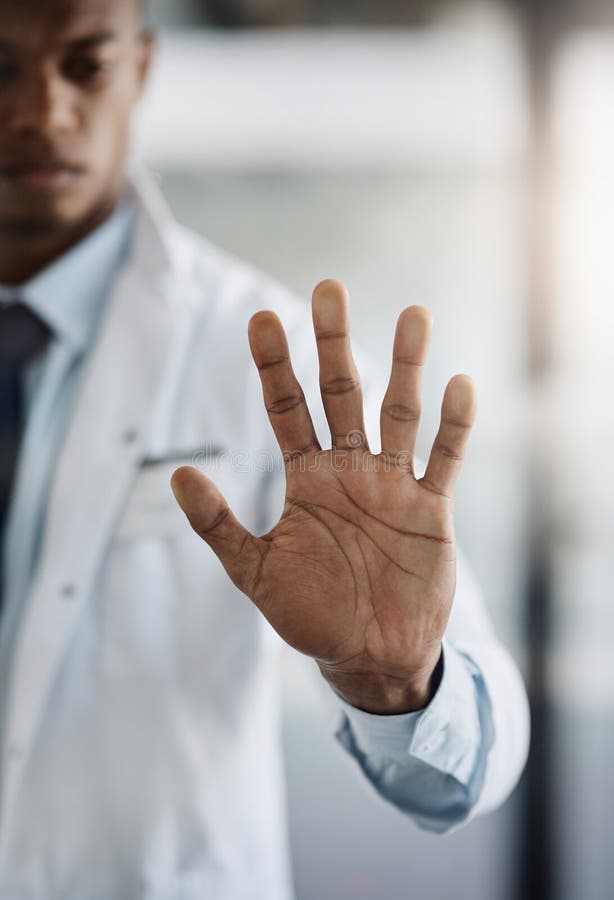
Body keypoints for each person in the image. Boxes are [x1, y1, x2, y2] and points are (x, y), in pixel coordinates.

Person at [0, 0, 530, 897]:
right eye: (0, 66)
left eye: (85, 65)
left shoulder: (264, 354)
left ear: (143, 67)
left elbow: (477, 764)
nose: (42, 114)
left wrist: (399, 681)